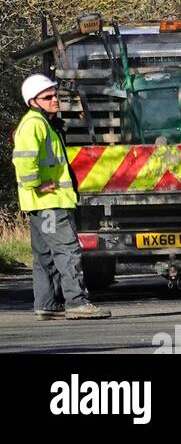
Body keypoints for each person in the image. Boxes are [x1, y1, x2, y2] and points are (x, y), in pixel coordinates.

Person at [11, 73, 111, 320]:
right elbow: (23, 160)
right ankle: (76, 302)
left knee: (45, 255)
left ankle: (47, 303)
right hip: (50, 202)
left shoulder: (43, 123)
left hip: (42, 204)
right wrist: (35, 184)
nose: (55, 99)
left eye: (55, 95)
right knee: (67, 251)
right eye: (48, 97)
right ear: (33, 101)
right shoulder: (35, 124)